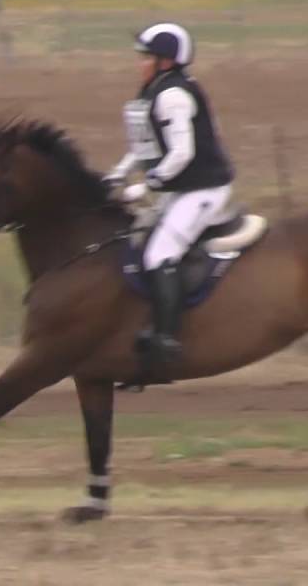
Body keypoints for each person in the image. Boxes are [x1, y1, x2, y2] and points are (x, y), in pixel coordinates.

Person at [103, 22, 236, 380]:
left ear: (165, 61)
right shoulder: (153, 91)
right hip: (179, 189)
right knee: (133, 241)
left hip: (203, 190)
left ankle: (166, 338)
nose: (139, 63)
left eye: (145, 57)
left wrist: (148, 185)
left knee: (160, 253)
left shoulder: (173, 96)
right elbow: (144, 148)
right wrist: (115, 176)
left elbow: (181, 153)